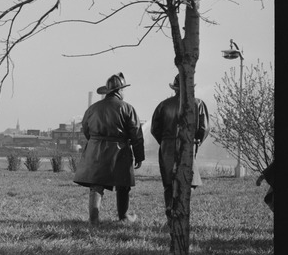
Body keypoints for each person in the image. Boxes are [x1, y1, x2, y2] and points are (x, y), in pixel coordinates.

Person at [73, 72, 145, 224]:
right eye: (123, 89)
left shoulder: (92, 109)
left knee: (96, 185)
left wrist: (95, 143)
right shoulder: (127, 108)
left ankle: (94, 219)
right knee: (123, 184)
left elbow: (86, 130)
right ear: (119, 91)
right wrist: (139, 156)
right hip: (120, 151)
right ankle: (124, 216)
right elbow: (136, 134)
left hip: (95, 150)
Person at [149, 78, 210, 217]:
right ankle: (179, 210)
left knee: (168, 183)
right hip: (187, 145)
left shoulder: (163, 105)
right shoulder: (198, 103)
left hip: (167, 147)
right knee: (188, 181)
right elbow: (204, 128)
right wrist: (196, 142)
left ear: (174, 88)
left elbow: (154, 129)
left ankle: (170, 208)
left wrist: (165, 141)